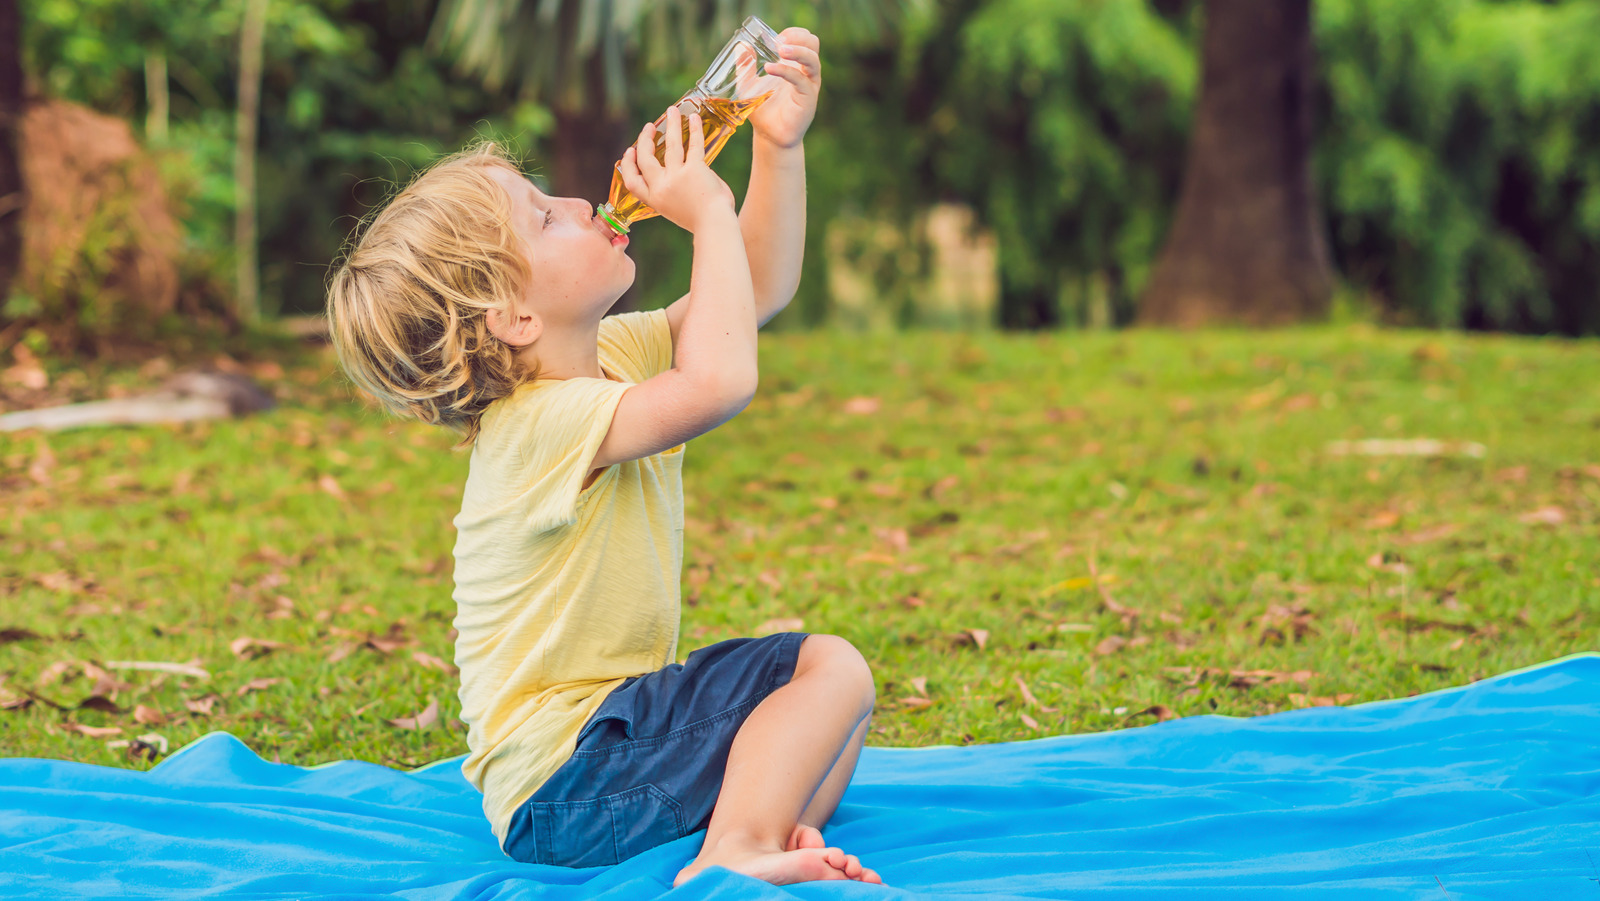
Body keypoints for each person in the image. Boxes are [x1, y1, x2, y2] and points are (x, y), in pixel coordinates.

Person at [324, 27, 882, 888]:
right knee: (828, 667)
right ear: (513, 318)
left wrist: (778, 150)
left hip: (599, 769)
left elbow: (755, 291)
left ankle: (776, 827)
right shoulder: (536, 423)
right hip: (574, 779)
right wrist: (704, 214)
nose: (581, 205)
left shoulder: (608, 356)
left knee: (833, 714)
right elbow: (723, 377)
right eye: (546, 218)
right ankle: (736, 849)